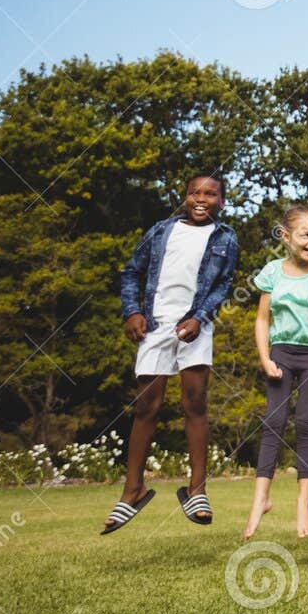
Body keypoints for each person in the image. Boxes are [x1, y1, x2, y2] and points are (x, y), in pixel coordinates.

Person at [102, 172, 238, 534]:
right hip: (156, 325)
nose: (201, 198)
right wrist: (132, 311)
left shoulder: (225, 237)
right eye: (194, 192)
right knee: (147, 405)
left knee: (194, 403)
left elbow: (224, 284)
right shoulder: (161, 231)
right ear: (184, 196)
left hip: (195, 326)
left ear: (220, 202)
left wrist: (199, 317)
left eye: (210, 194)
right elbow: (131, 271)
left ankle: (197, 488)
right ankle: (133, 489)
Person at [243, 205, 308, 539]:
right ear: (286, 236)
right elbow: (263, 320)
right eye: (306, 235)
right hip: (280, 352)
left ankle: (304, 503)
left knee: (306, 422)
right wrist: (265, 359)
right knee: (273, 422)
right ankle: (261, 498)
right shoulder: (273, 272)